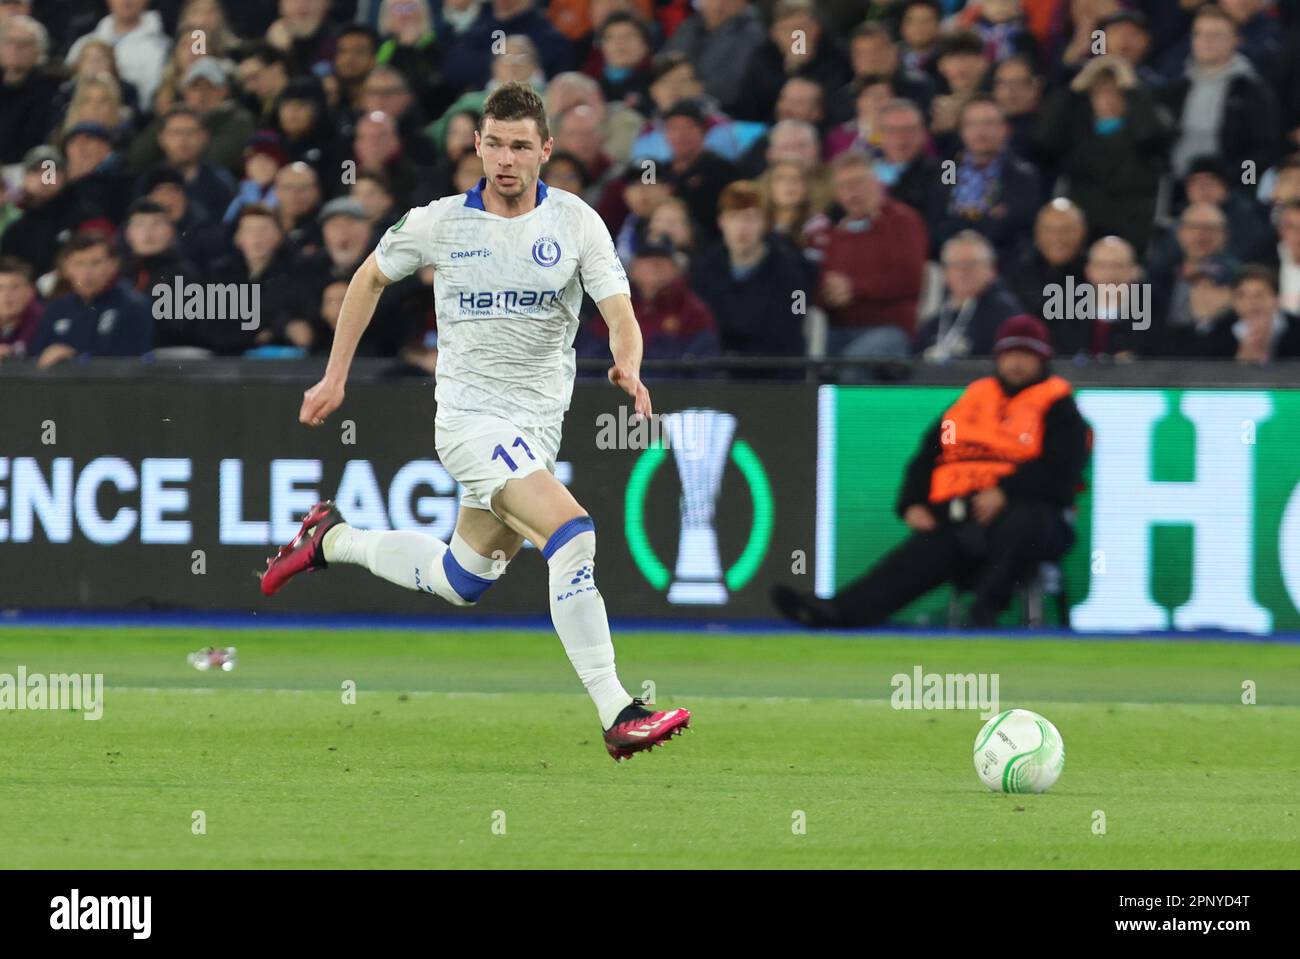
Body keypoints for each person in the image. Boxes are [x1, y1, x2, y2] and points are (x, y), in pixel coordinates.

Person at [260, 81, 691, 761]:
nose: (506, 158)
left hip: (534, 433)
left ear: (546, 150)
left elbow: (620, 315)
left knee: (463, 579)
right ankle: (618, 709)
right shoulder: (440, 222)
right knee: (573, 532)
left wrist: (628, 366)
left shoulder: (577, 222)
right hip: (469, 423)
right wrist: (335, 374)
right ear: (477, 146)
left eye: (521, 145)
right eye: (495, 143)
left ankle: (331, 539)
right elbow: (368, 279)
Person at [772, 315, 1090, 629]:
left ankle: (985, 612)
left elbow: (1061, 470)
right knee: (919, 554)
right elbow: (929, 455)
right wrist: (912, 502)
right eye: (1010, 355)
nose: (1017, 364)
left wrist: (1004, 491)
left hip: (1033, 520)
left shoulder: (1059, 407)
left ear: (1043, 360)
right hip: (964, 514)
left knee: (1025, 522)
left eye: (1026, 356)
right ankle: (839, 612)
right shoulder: (972, 401)